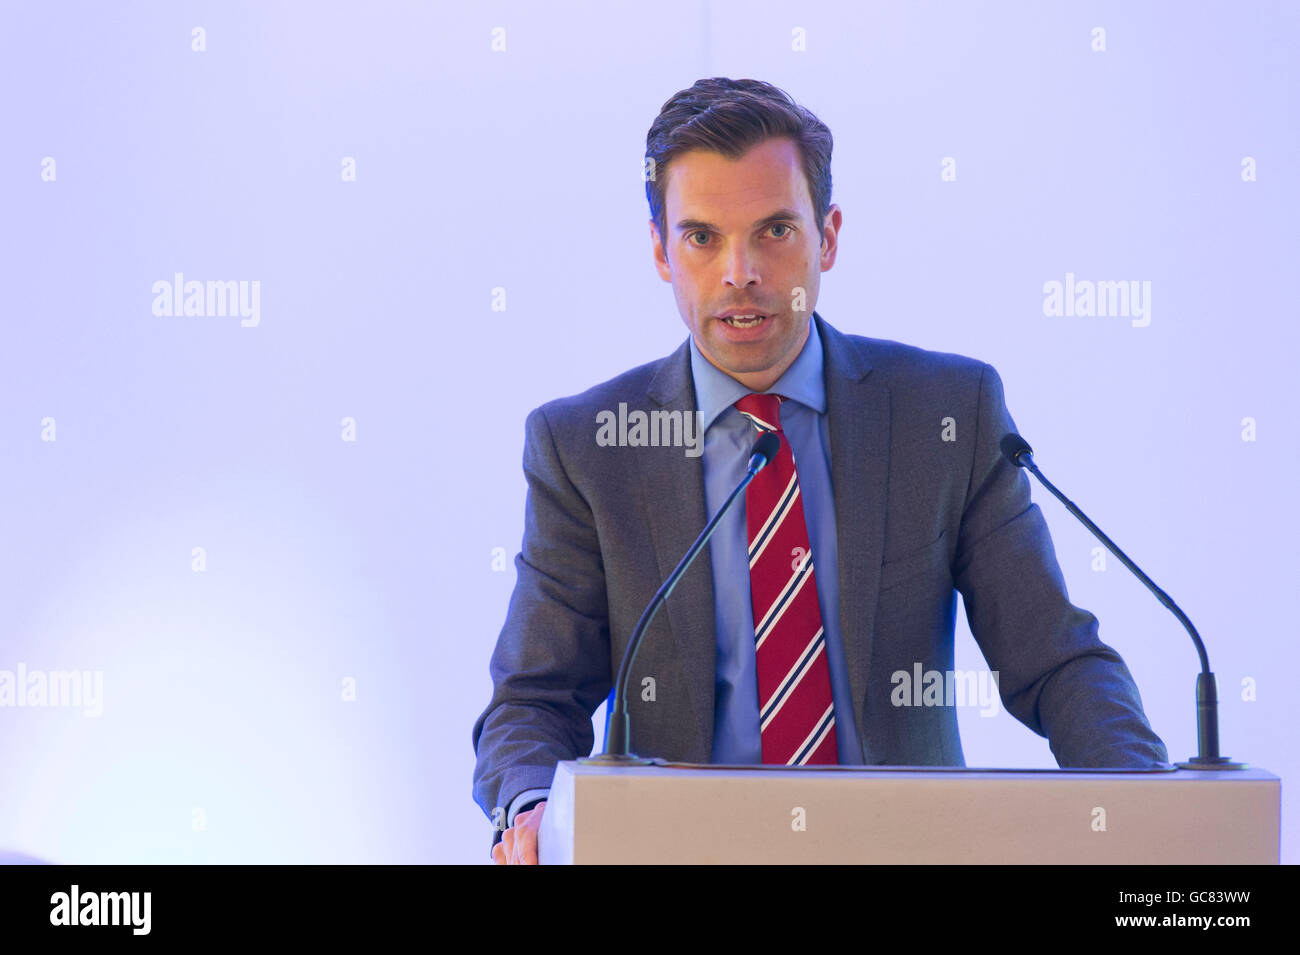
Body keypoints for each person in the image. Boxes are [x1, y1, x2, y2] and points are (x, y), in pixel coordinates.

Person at [472, 77, 1168, 865]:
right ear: (662, 250)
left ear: (827, 237)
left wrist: (1145, 807)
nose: (740, 272)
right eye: (702, 237)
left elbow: (1056, 662)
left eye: (773, 231)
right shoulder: (588, 446)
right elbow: (534, 700)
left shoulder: (948, 413)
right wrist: (530, 809)